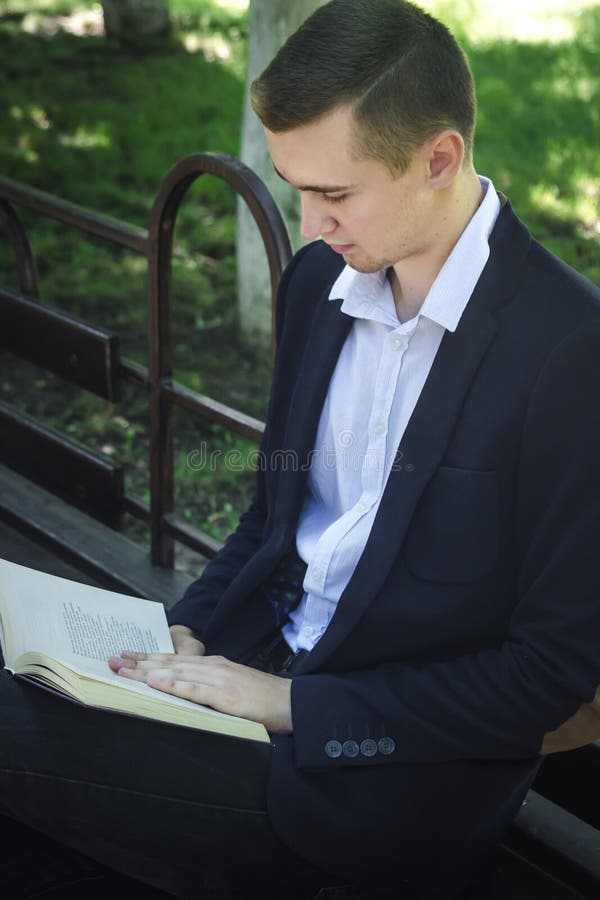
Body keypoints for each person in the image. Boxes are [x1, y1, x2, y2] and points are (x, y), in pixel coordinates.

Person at [1, 1, 599, 898]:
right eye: (296, 189)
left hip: (372, 784)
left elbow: (545, 677)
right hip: (239, 671)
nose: (311, 224)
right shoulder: (322, 280)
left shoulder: (570, 350)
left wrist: (293, 705)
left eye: (335, 194)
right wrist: (184, 630)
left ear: (439, 159)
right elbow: (274, 515)